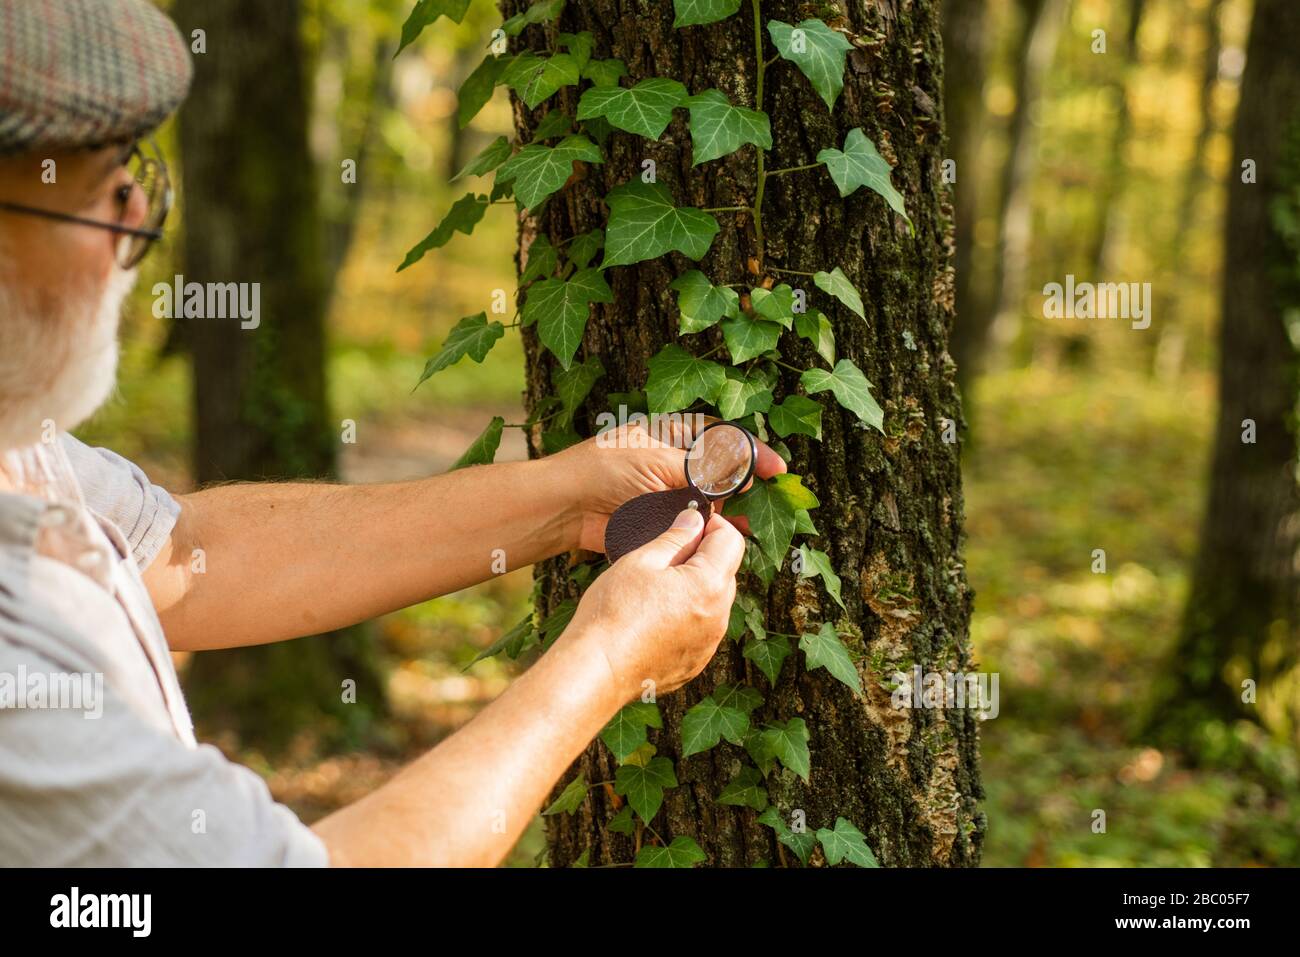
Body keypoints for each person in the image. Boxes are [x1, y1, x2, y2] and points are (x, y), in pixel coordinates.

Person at [0, 0, 783, 866]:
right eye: (103, 187)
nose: (141, 208)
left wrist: (569, 496)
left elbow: (184, 556)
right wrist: (605, 658)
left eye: (139, 168)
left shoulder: (14, 444)